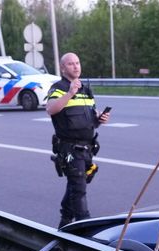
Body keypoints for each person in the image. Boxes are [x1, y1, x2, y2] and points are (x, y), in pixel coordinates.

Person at [47, 52, 110, 228]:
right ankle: (85, 228)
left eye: (77, 62)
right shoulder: (58, 88)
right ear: (62, 68)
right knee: (79, 188)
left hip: (87, 148)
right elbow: (51, 109)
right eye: (71, 64)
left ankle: (64, 222)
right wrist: (69, 93)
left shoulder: (86, 90)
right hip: (69, 149)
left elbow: (90, 119)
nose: (76, 66)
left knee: (77, 184)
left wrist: (99, 119)